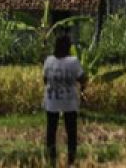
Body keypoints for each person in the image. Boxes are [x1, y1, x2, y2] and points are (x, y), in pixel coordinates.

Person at [43, 30, 86, 166]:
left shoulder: (49, 60)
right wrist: (82, 90)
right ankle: (71, 160)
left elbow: (45, 80)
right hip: (69, 101)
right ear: (68, 47)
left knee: (51, 131)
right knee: (71, 132)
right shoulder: (73, 62)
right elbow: (82, 78)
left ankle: (51, 159)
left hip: (52, 101)